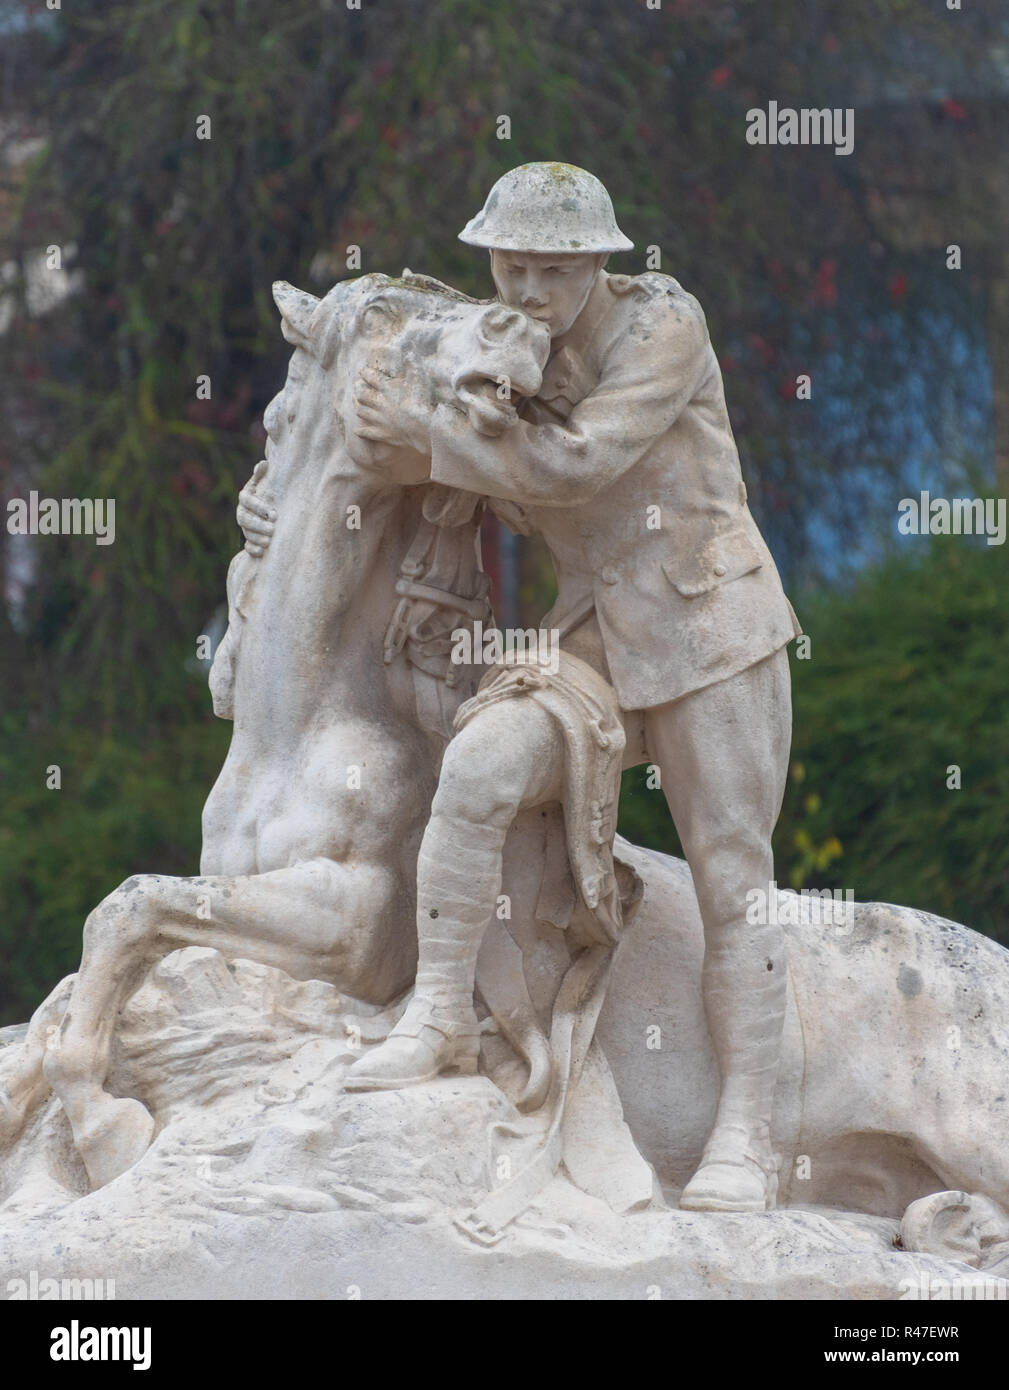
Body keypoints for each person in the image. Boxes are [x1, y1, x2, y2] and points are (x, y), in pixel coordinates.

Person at [257, 163, 801, 1213]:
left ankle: (748, 1136)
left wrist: (421, 436)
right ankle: (441, 1021)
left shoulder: (661, 329)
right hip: (592, 632)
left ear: (597, 261)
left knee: (735, 877)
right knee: (476, 765)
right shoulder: (507, 343)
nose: (530, 293)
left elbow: (576, 464)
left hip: (708, 628)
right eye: (511, 269)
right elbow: (456, 448)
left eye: (553, 272)